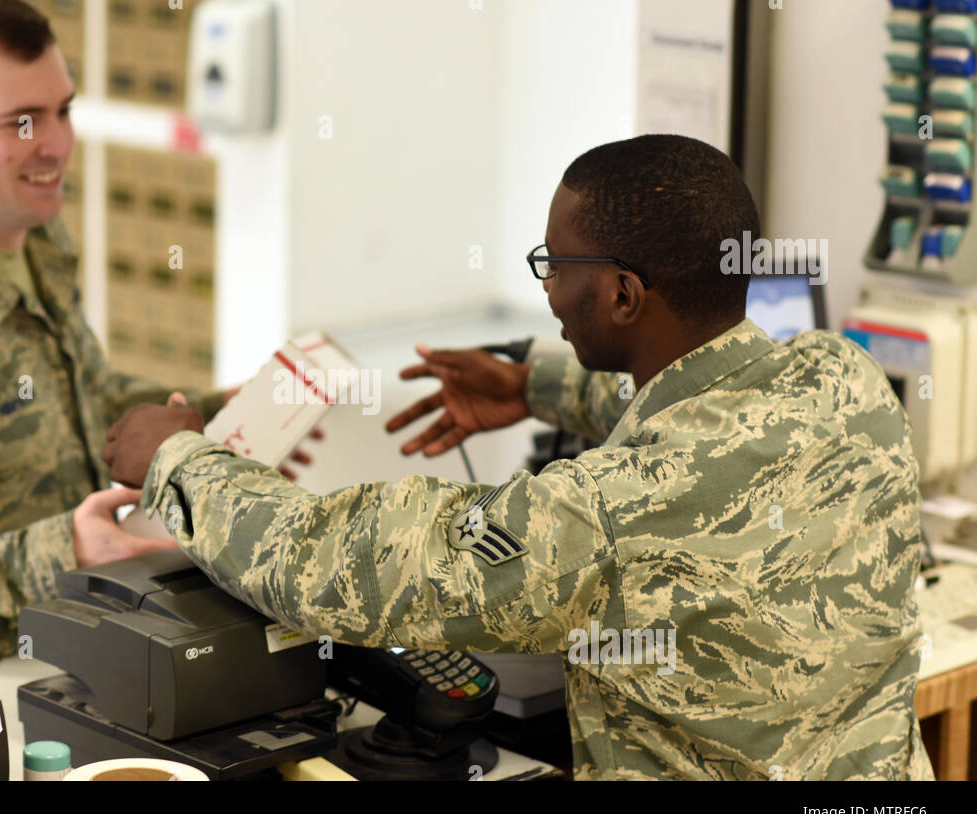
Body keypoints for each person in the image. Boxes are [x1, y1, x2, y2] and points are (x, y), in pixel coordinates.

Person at [102, 134, 935, 780]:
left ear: (620, 294)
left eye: (555, 265)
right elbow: (712, 411)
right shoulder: (844, 378)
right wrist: (539, 384)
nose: (547, 291)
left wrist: (177, 459)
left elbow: (329, 563)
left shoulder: (603, 513)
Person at [0, 0, 284, 659]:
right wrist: (64, 548)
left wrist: (216, 415)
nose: (58, 144)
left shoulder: (32, 234)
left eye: (63, 110)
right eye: (23, 123)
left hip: (89, 643)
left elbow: (82, 390)